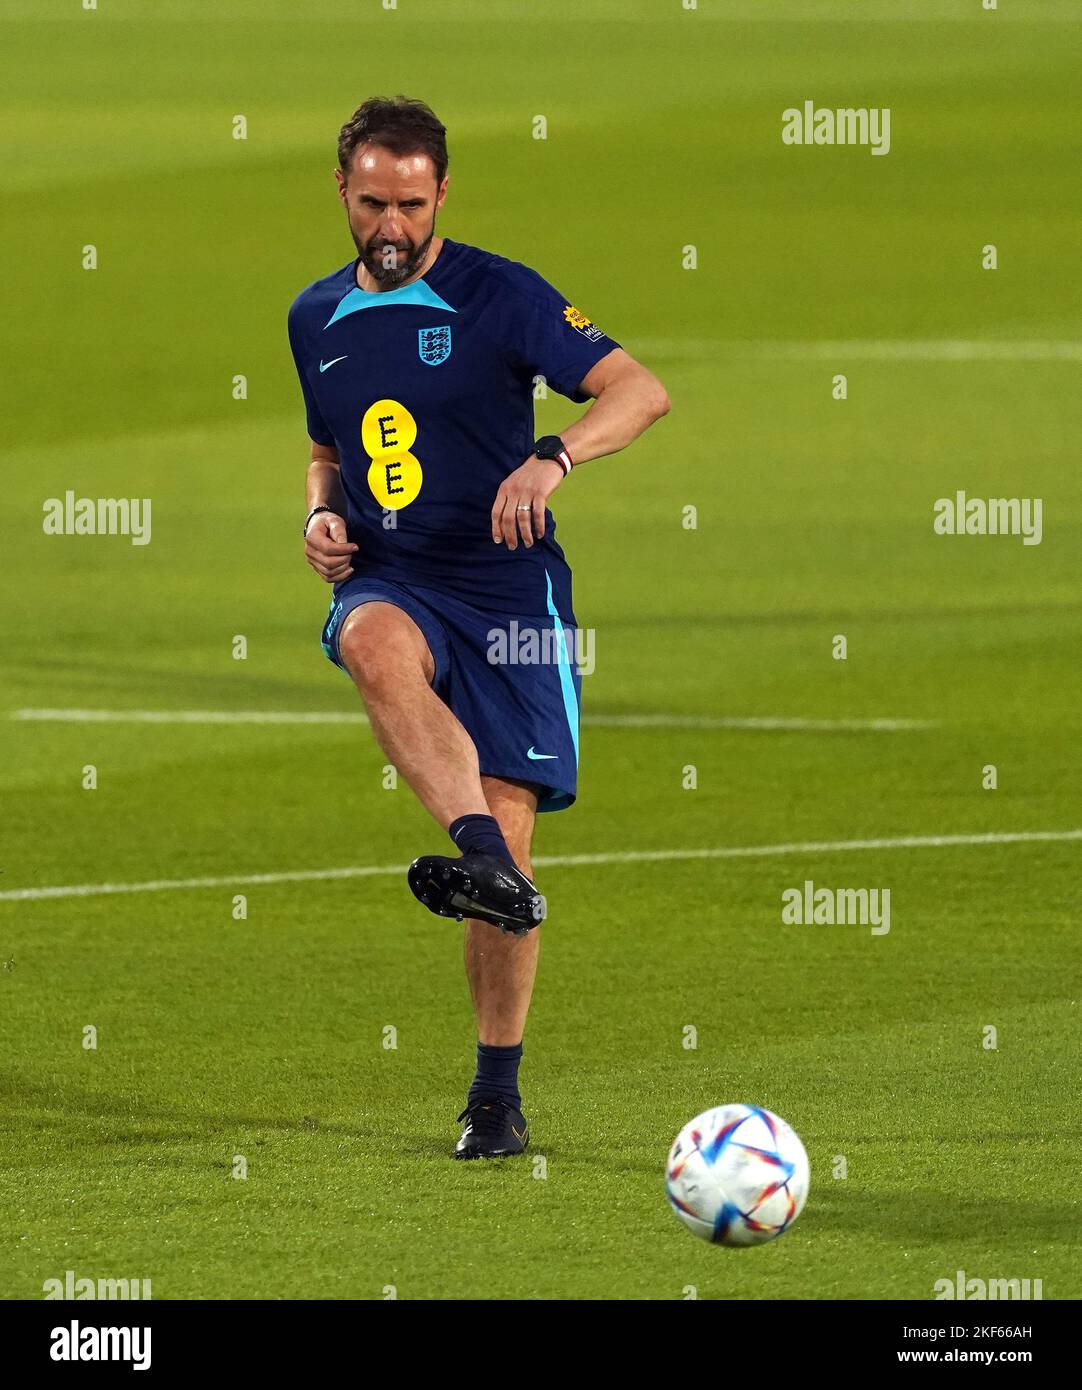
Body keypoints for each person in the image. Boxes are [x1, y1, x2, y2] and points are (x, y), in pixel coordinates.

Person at [288, 96, 670, 1159]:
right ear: (342, 190)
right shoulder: (313, 316)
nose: (392, 227)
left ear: (442, 194)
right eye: (373, 204)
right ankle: (478, 854)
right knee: (368, 641)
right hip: (393, 575)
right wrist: (319, 514)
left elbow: (640, 391)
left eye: (411, 205)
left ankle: (494, 1095)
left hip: (509, 594)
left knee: (512, 858)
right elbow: (327, 447)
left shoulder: (501, 295)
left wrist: (554, 455)